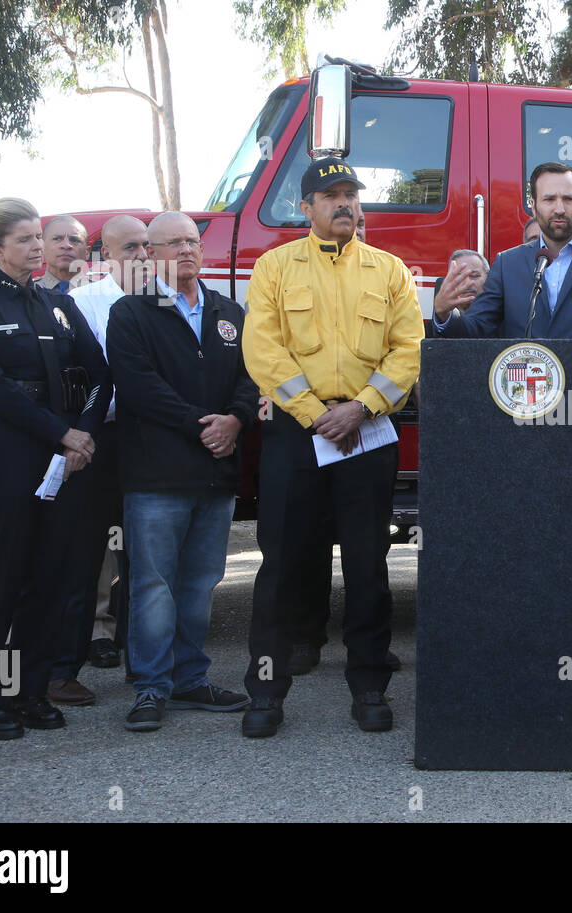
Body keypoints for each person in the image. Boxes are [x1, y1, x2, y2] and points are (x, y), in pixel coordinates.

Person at [240, 156, 423, 738]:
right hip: (300, 435)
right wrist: (318, 415)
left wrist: (361, 407)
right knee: (283, 565)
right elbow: (263, 352)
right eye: (332, 195)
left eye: (351, 193)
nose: (345, 203)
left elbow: (409, 348)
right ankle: (266, 692)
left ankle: (370, 687)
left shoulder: (389, 270)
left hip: (366, 431)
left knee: (368, 567)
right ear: (307, 207)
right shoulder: (273, 268)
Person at [0, 198, 111, 739]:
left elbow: (99, 375)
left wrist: (82, 433)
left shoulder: (58, 306)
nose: (38, 247)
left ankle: (28, 691)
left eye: (39, 237)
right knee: (1, 580)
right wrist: (60, 433)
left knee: (52, 577)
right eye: (24, 239)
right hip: (12, 451)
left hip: (67, 455)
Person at [106, 211, 256, 731]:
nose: (187, 250)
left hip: (216, 475)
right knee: (152, 585)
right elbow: (139, 386)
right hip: (157, 477)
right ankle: (151, 687)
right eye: (174, 243)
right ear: (151, 252)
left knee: (200, 583)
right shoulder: (131, 313)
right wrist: (203, 427)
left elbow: (251, 376)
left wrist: (236, 420)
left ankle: (191, 679)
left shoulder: (230, 312)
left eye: (193, 241)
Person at [53, 214, 151, 688]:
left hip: (150, 441)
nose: (141, 256)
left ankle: (144, 666)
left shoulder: (168, 298)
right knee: (87, 552)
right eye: (130, 248)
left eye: (147, 247)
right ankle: (65, 669)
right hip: (102, 437)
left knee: (143, 555)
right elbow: (89, 377)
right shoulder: (83, 301)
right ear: (106, 255)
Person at [432, 161, 572, 351]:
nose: (559, 209)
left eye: (568, 199)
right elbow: (476, 332)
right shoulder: (507, 263)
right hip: (521, 393)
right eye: (549, 199)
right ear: (534, 207)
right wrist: (444, 315)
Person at [36, 216, 90, 293]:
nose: (66, 245)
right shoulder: (27, 292)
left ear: (87, 252)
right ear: (42, 247)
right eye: (57, 239)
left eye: (74, 240)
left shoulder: (102, 294)